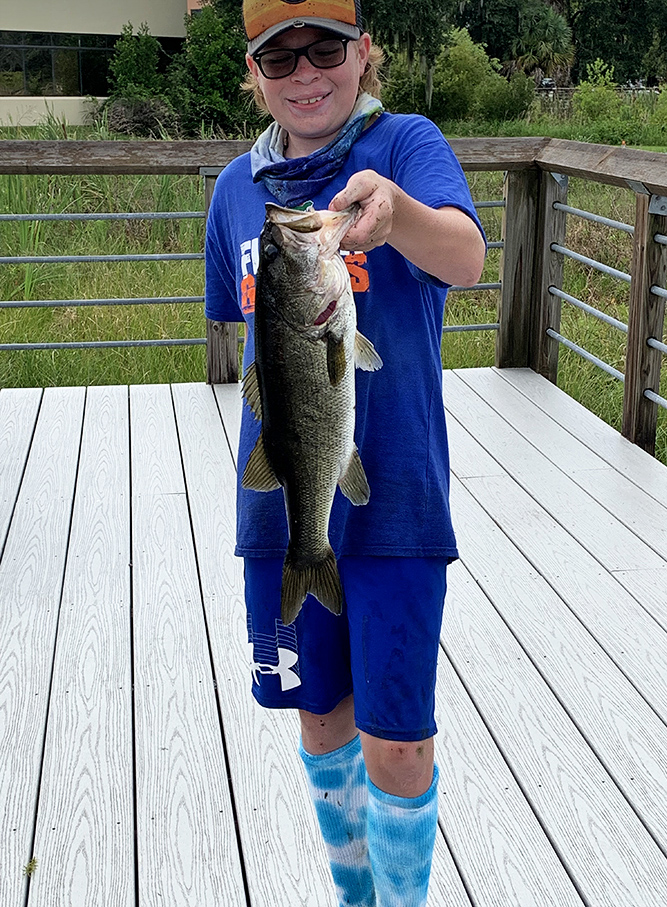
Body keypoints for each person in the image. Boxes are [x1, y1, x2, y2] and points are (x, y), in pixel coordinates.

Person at [205, 2, 487, 904]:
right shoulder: (235, 190)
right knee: (321, 715)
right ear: (253, 75)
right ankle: (354, 893)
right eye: (278, 58)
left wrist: (398, 217)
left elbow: (468, 259)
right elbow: (244, 339)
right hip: (283, 506)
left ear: (364, 54)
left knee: (397, 739)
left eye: (324, 48)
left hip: (397, 498)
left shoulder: (406, 145)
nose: (305, 74)